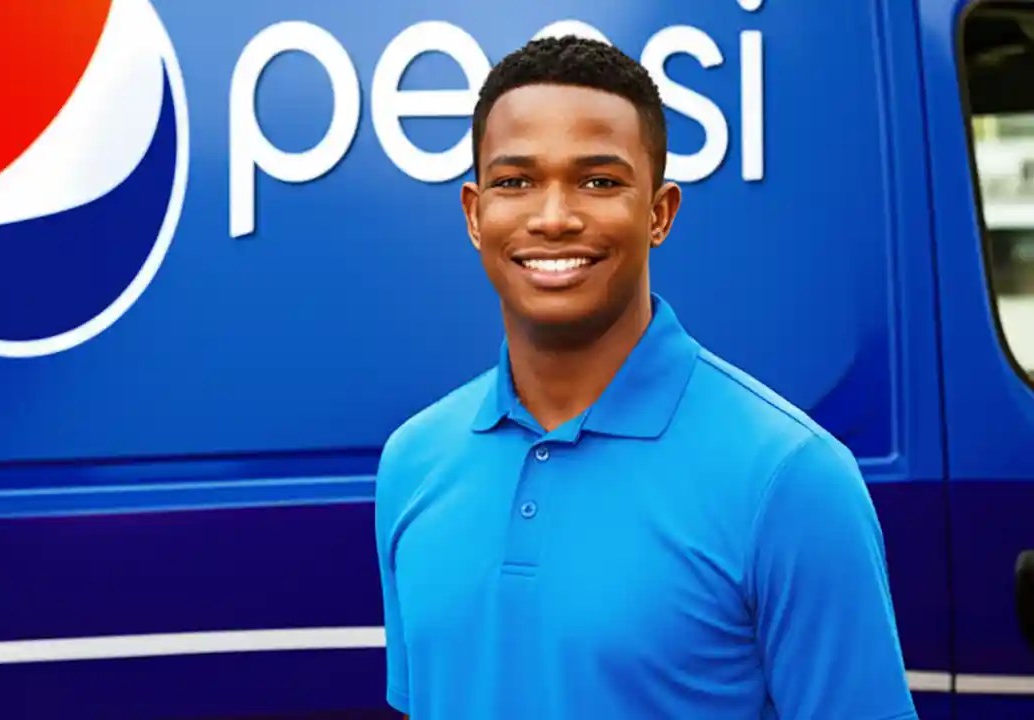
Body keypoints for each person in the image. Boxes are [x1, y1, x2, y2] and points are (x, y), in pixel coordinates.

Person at [373, 35, 917, 720]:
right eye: (516, 182)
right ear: (474, 215)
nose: (553, 217)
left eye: (598, 181)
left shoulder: (790, 478)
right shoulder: (413, 462)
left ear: (658, 214)